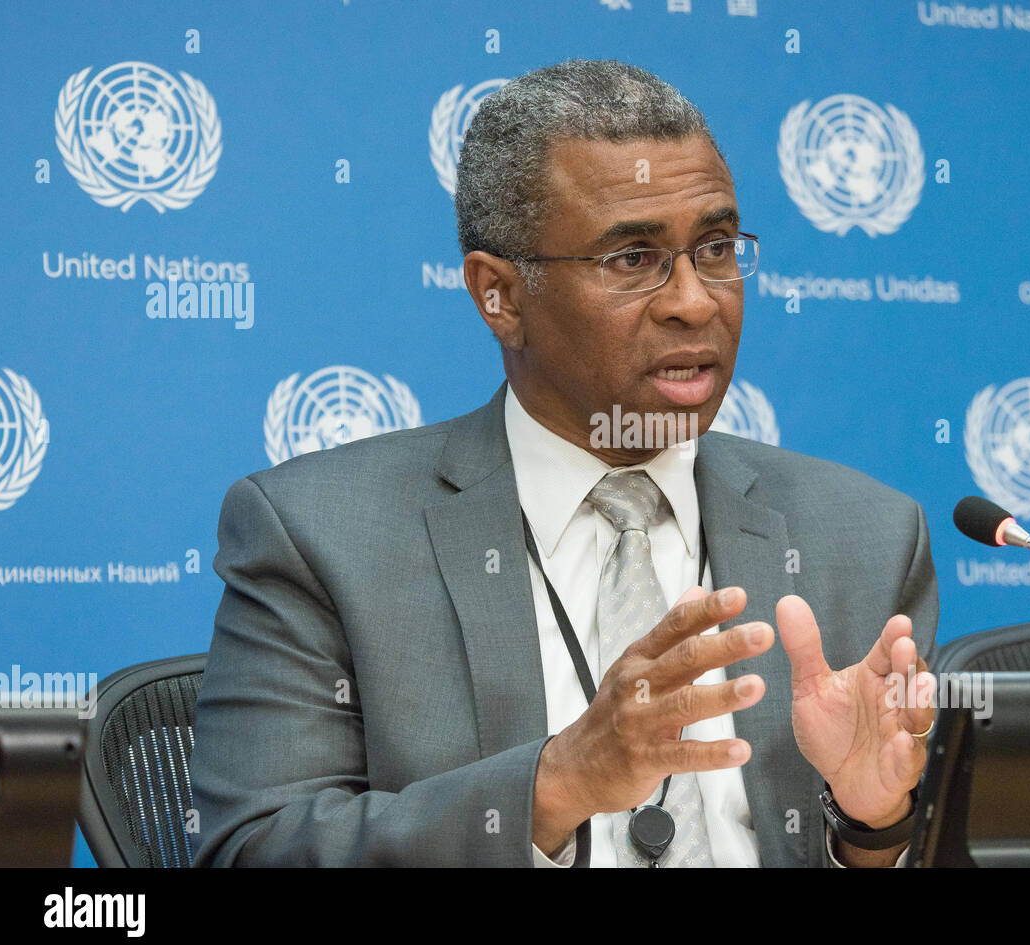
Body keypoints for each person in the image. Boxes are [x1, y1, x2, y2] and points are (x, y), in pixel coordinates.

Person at [189, 59, 938, 868]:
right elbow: (254, 850)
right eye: (633, 259)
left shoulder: (861, 536)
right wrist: (555, 784)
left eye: (715, 247)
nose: (695, 299)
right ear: (498, 295)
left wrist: (874, 827)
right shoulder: (321, 535)